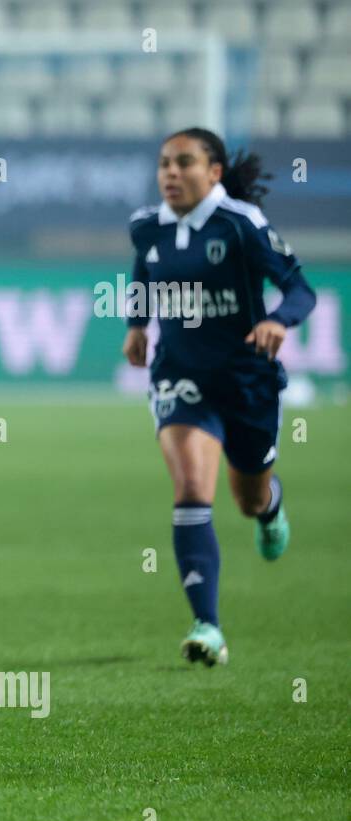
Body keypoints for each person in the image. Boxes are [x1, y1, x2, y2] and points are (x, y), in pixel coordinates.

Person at [123, 128, 315, 667]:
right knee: (190, 487)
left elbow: (301, 288)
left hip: (245, 381)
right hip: (179, 377)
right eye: (164, 163)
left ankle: (269, 506)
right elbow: (143, 275)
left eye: (184, 162)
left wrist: (279, 318)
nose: (171, 173)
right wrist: (137, 324)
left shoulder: (241, 225)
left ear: (214, 172)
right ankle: (207, 625)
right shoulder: (146, 226)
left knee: (247, 496)